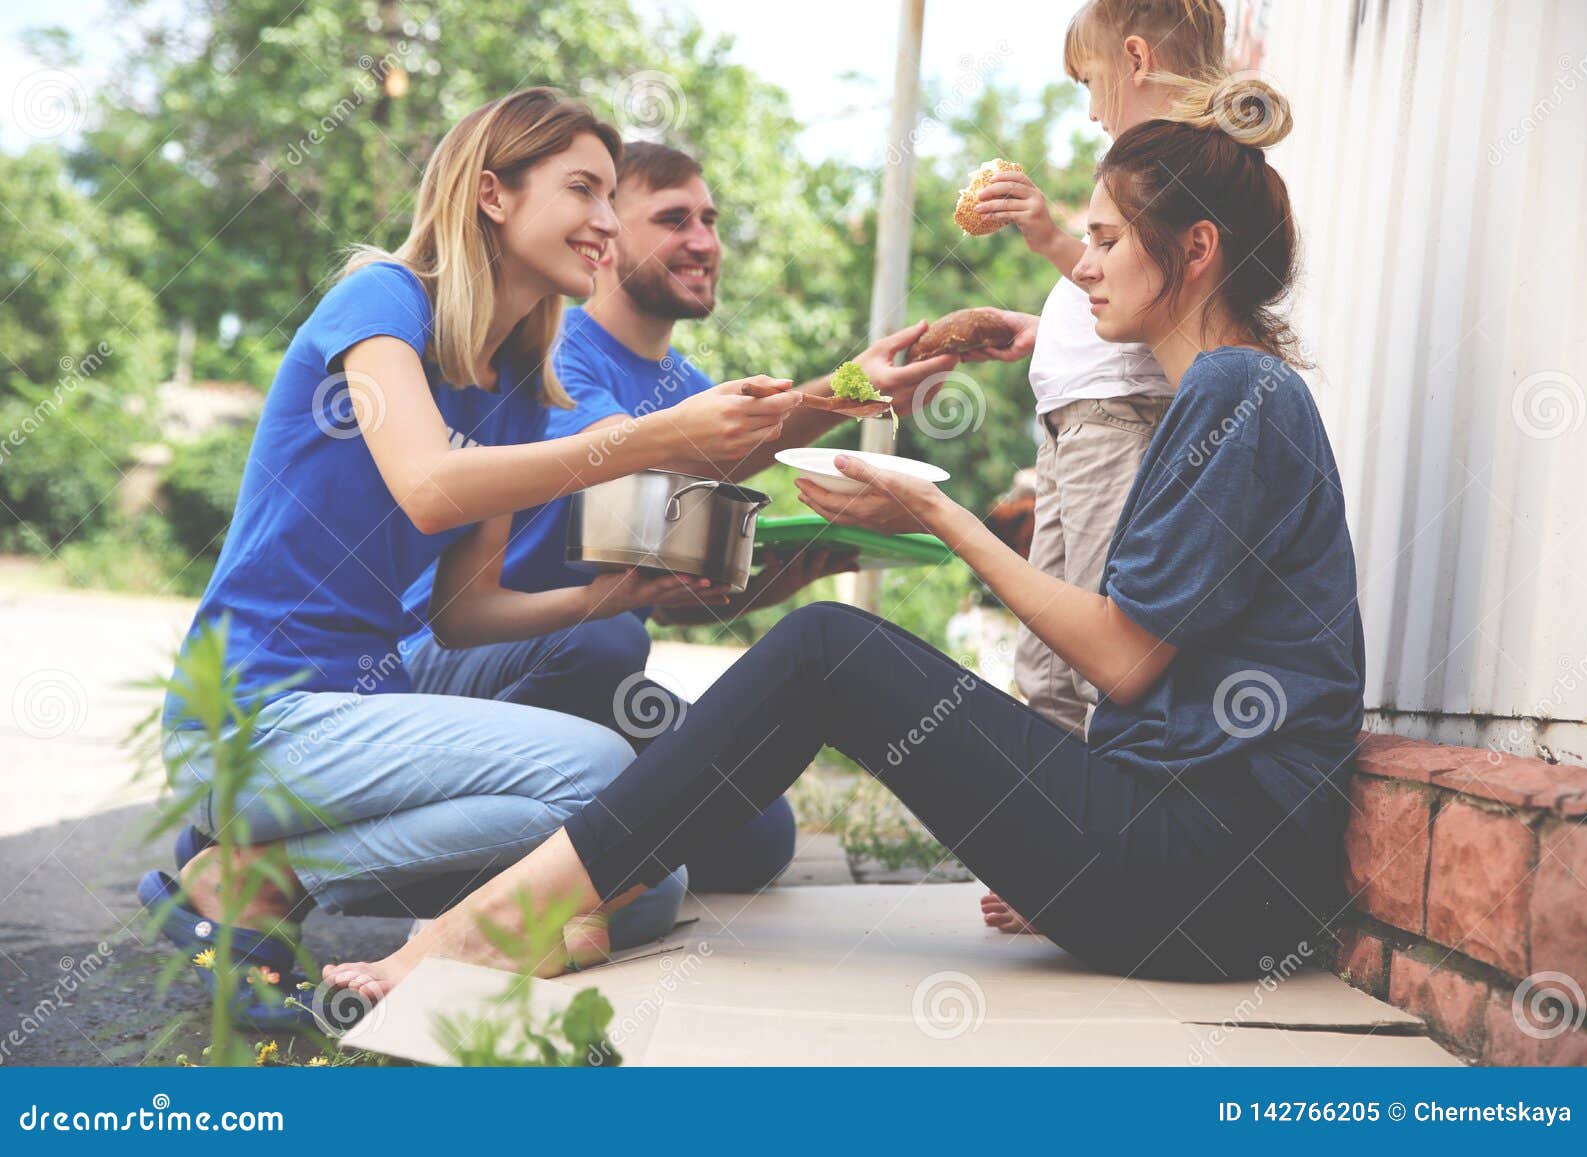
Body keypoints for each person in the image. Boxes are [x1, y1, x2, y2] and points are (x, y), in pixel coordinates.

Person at [323, 74, 1367, 1000]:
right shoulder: (1221, 395)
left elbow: (1124, 658)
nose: (1079, 266)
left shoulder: (1238, 391)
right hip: (1189, 864)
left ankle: (492, 920)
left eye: (1102, 239)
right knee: (816, 672)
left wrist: (935, 515)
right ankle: (569, 895)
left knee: (829, 651)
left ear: (1195, 250)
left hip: (1209, 876)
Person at [143, 88, 807, 1021]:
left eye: (613, 198)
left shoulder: (514, 383)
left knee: (645, 874)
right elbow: (425, 481)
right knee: (604, 776)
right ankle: (257, 876)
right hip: (249, 720)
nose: (607, 223)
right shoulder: (381, 303)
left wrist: (607, 595)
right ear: (493, 194)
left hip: (354, 710)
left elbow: (462, 612)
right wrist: (651, 438)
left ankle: (327, 890)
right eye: (584, 190)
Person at [397, 140, 960, 893]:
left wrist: (780, 578)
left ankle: (549, 848)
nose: (703, 241)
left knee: (758, 831)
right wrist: (847, 390)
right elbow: (644, 460)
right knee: (603, 642)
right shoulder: (557, 351)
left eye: (710, 219)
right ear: (604, 232)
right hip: (452, 654)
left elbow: (665, 590)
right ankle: (456, 844)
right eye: (672, 219)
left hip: (582, 658)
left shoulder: (684, 382)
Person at [953, 0, 1234, 745]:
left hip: (1116, 427)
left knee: (1092, 648)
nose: (1088, 112)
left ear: (1137, 60)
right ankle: (1042, 836)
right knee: (1045, 664)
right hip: (1077, 430)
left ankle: (1102, 833)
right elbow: (1123, 305)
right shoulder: (1149, 161)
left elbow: (1163, 295)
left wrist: (1046, 235)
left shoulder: (1173, 163)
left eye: (1090, 81)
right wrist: (1049, 332)